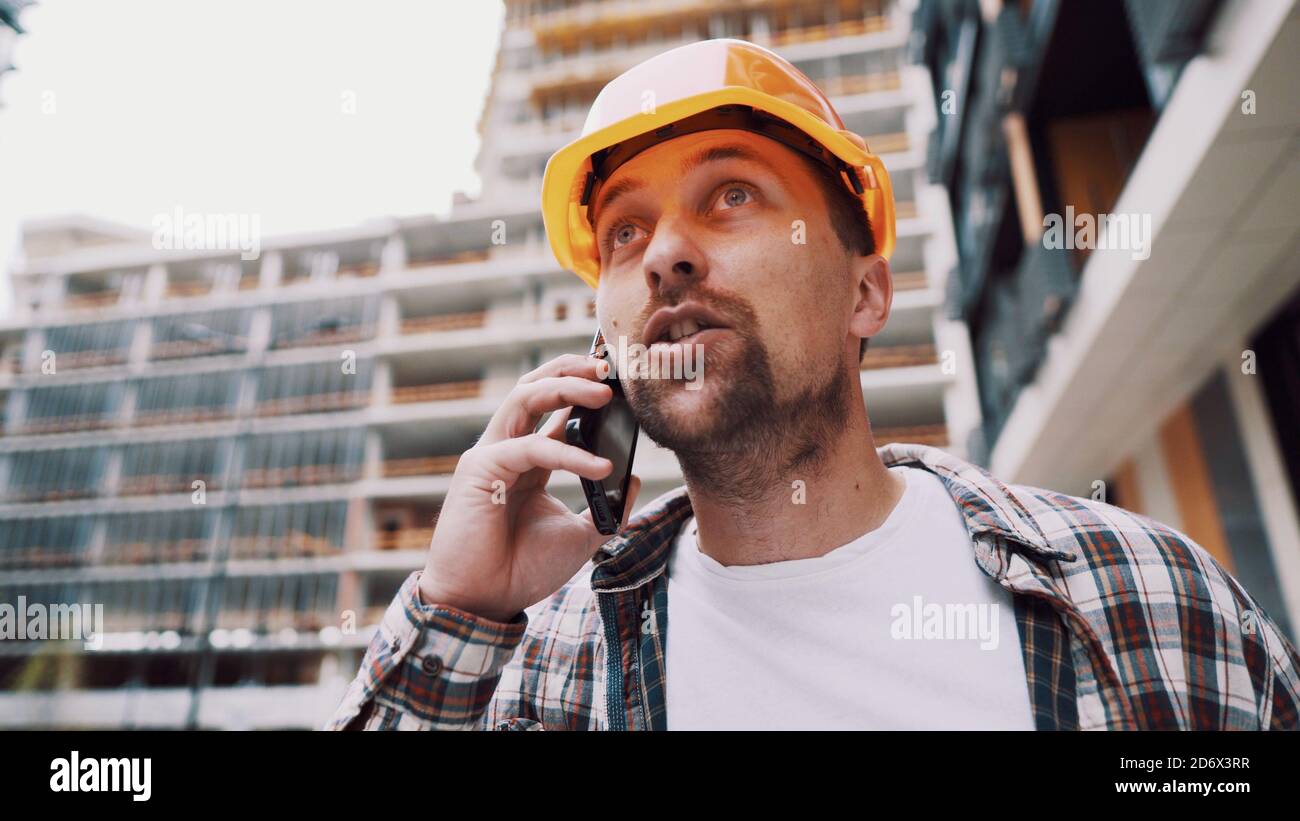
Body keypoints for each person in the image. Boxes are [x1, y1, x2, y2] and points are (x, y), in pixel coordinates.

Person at [326, 39, 1299, 730]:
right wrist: (453, 606)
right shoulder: (543, 669)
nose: (663, 252)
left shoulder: (1147, 598)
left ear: (865, 291)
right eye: (624, 229)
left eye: (732, 195)